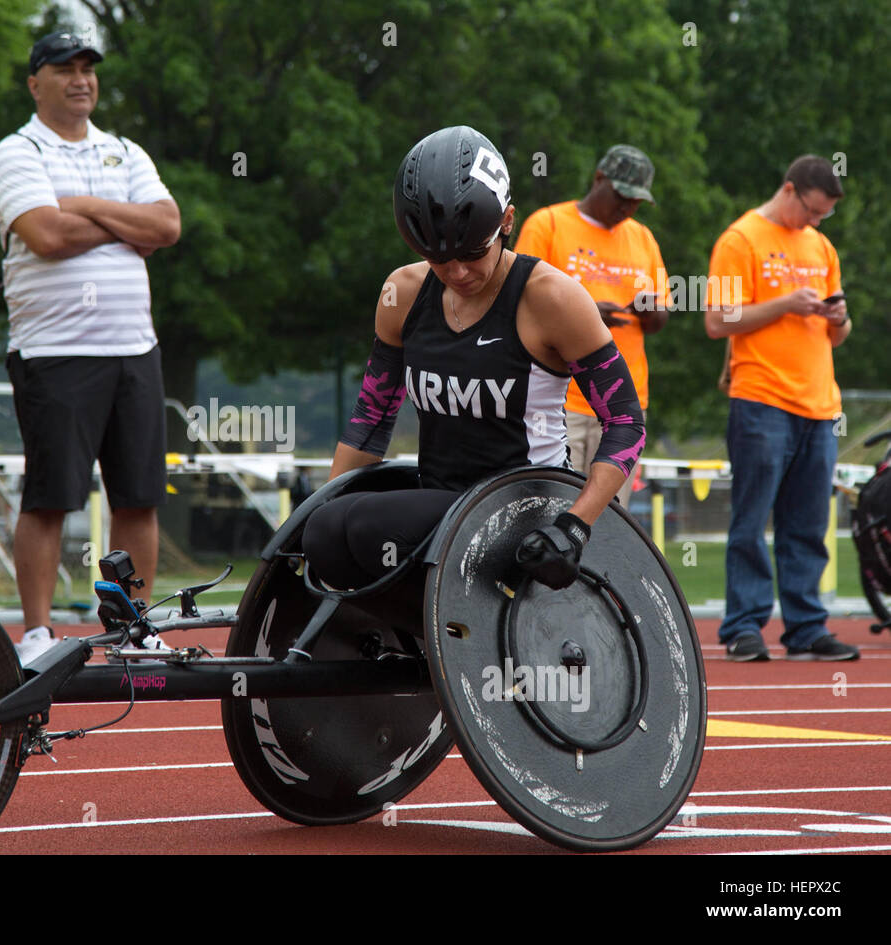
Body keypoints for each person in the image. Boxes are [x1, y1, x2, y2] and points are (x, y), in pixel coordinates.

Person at [303, 126, 645, 592]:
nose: (457, 272)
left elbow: (626, 421)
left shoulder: (552, 298)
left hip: (525, 504)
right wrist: (319, 507)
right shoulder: (402, 293)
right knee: (322, 530)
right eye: (437, 258)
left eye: (471, 252)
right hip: (442, 500)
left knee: (365, 526)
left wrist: (575, 525)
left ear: (507, 221)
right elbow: (372, 416)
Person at [0, 32, 181, 662]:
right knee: (50, 497)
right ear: (33, 81)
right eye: (63, 68)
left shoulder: (125, 151)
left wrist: (87, 207)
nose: (80, 79)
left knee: (139, 497)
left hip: (134, 349)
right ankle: (38, 632)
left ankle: (131, 623)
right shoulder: (15, 152)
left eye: (88, 69)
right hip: (55, 351)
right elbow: (44, 234)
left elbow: (168, 225)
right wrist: (124, 221)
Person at [705, 155, 857, 662]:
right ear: (789, 190)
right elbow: (718, 320)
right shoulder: (740, 239)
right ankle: (744, 627)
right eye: (812, 211)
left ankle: (807, 627)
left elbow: (839, 333)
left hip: (819, 404)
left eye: (824, 216)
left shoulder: (821, 246)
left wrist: (838, 317)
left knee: (809, 525)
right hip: (761, 399)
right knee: (751, 521)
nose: (815, 223)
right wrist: (787, 304)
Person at [513, 145, 667, 506]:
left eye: (636, 203)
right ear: (598, 179)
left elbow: (661, 318)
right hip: (558, 399)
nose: (627, 208)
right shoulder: (548, 224)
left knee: (611, 518)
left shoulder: (642, 237)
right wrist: (583, 310)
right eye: (621, 197)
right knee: (552, 505)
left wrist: (649, 308)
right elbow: (517, 302)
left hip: (622, 405)